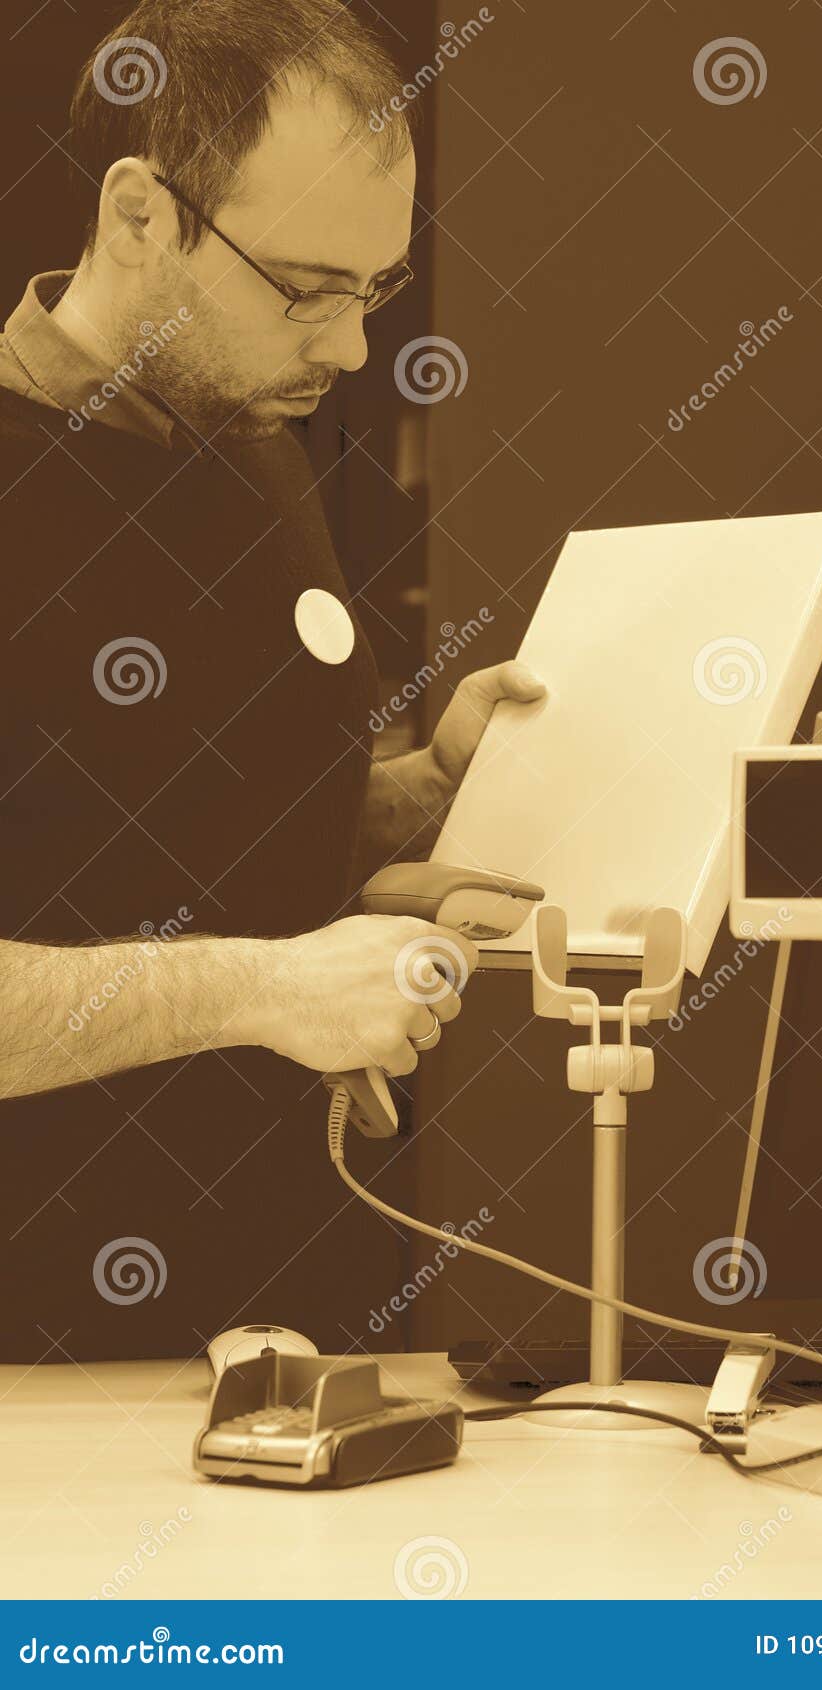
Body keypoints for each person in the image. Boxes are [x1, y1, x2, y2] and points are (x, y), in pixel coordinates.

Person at [0, 0, 543, 1359]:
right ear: (139, 215)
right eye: (305, 289)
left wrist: (422, 795)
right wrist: (266, 990)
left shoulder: (253, 432)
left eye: (374, 293)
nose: (352, 350)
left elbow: (172, 828)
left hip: (289, 1319)